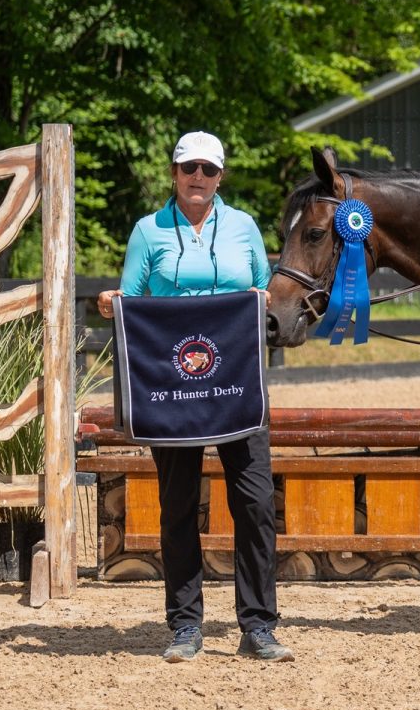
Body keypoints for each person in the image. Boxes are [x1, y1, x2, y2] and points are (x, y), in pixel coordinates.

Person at [97, 131, 292, 663]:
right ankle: (185, 625)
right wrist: (113, 303)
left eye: (208, 169)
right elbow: (132, 298)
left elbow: (264, 289)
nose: (198, 178)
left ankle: (259, 626)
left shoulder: (243, 227)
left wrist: (264, 298)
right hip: (174, 388)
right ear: (174, 173)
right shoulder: (147, 231)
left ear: (220, 176)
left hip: (237, 384)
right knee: (178, 506)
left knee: (253, 503)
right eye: (189, 169)